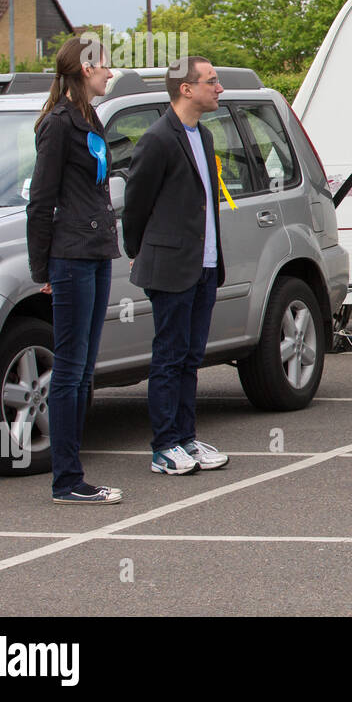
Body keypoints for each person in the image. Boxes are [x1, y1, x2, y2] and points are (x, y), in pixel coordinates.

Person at [27, 36, 123, 504]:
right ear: (85, 69)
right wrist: (41, 266)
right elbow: (40, 201)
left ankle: (73, 471)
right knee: (69, 369)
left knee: (85, 369)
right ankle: (66, 480)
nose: (110, 73)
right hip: (70, 256)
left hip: (96, 250)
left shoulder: (91, 118)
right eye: (105, 66)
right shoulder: (58, 124)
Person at [123, 56, 229, 475]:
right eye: (212, 81)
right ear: (186, 89)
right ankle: (164, 445)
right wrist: (139, 249)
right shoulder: (157, 139)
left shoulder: (202, 137)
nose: (218, 89)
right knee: (168, 357)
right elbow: (136, 205)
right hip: (170, 267)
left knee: (190, 356)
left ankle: (186, 438)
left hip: (204, 265)